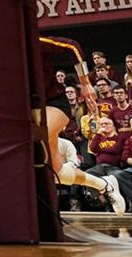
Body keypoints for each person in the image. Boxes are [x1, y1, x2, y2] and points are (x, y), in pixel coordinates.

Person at [38, 36, 127, 214]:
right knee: (57, 174)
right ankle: (104, 184)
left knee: (42, 133)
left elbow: (73, 46)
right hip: (26, 108)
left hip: (53, 102)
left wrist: (85, 82)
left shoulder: (32, 40)